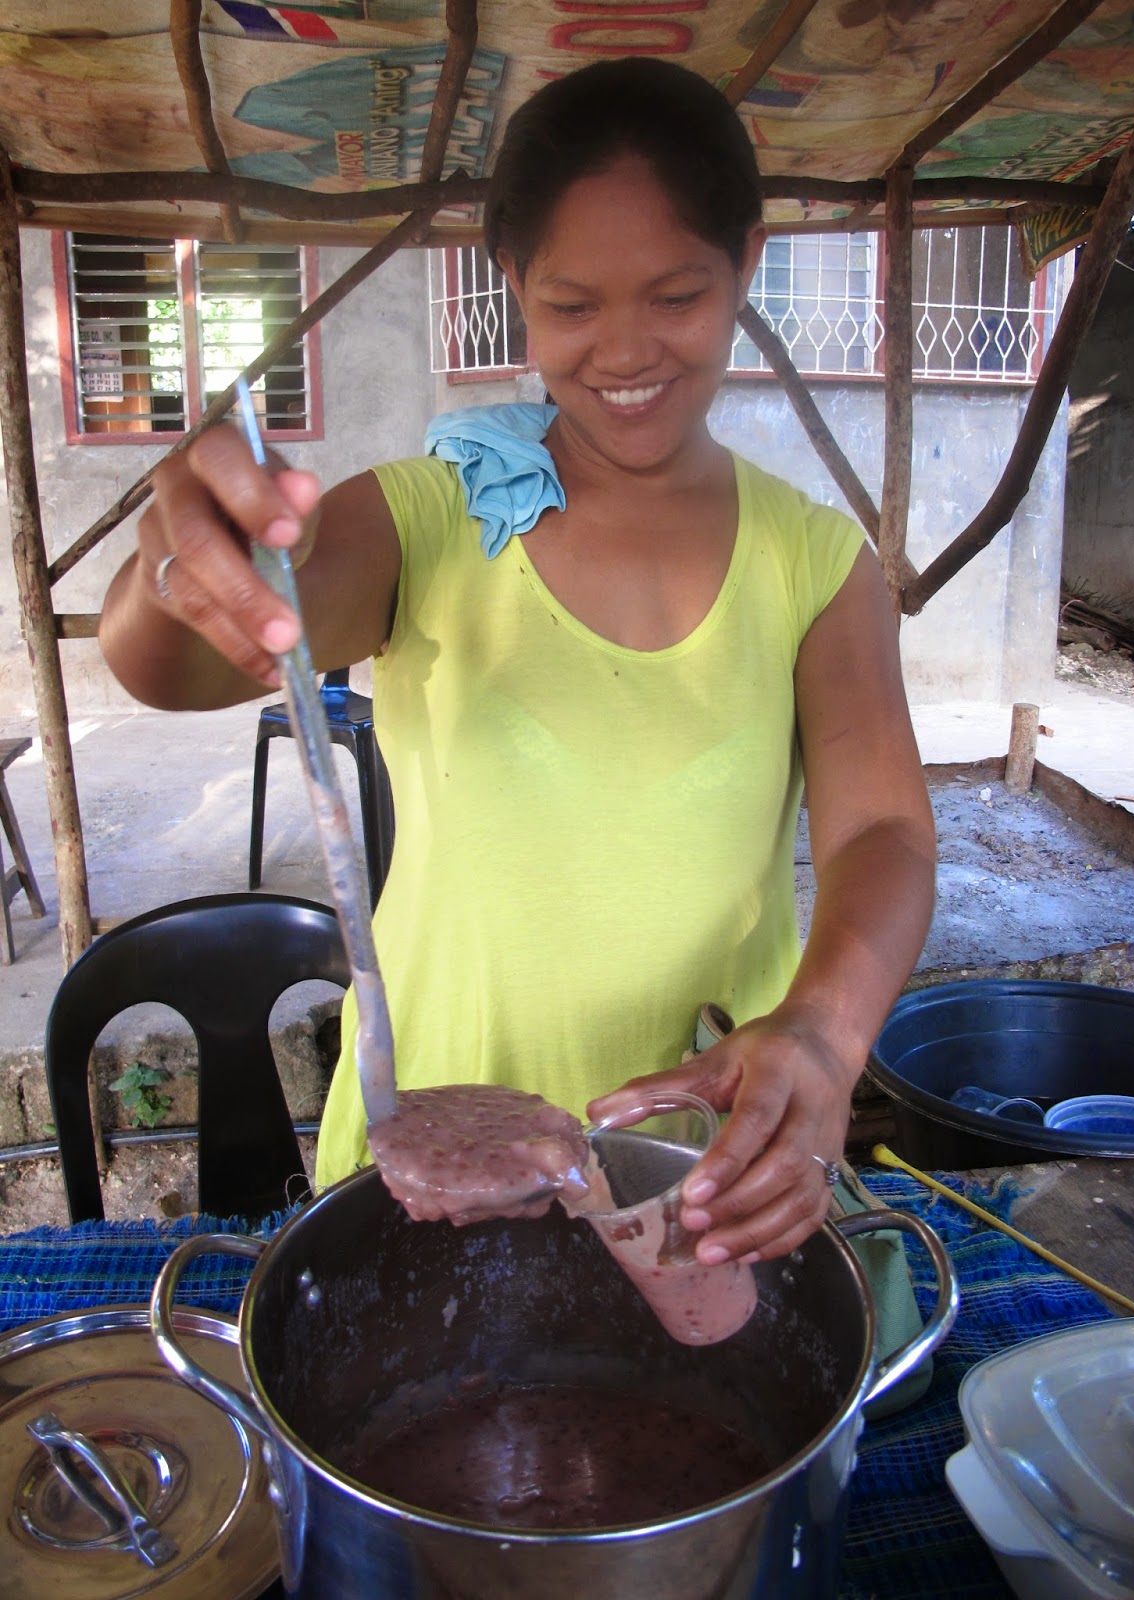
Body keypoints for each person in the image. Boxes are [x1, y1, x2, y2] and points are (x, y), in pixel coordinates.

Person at [98, 57, 936, 1269]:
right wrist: (179, 566)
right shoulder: (433, 516)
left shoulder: (816, 563)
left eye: (678, 294)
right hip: (429, 1161)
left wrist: (823, 1029)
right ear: (513, 289)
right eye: (573, 303)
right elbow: (177, 665)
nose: (626, 349)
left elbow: (885, 837)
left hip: (700, 1178)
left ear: (746, 266)